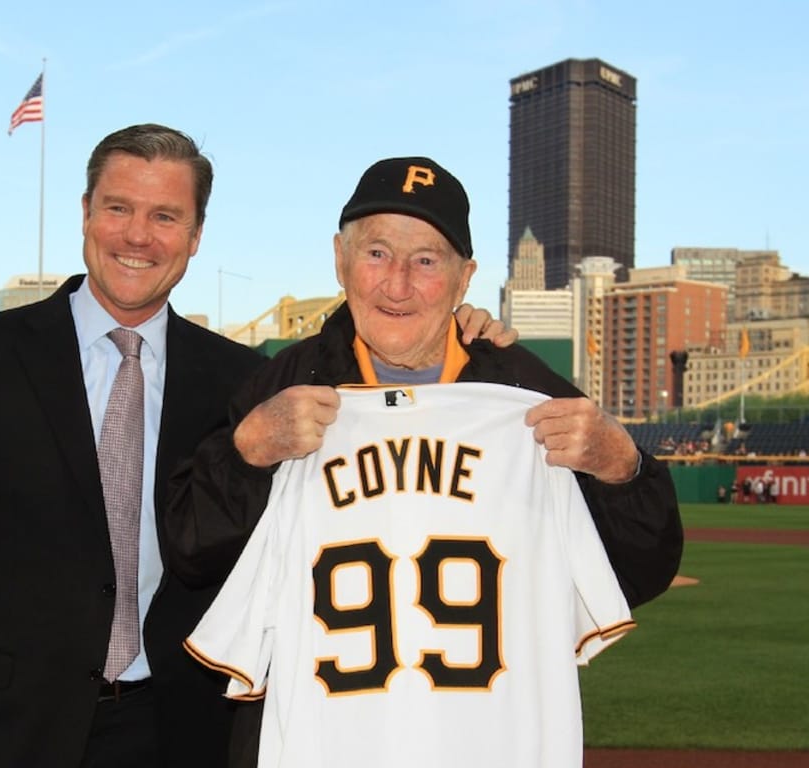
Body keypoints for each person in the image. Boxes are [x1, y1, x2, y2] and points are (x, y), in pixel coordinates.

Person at [0, 128, 513, 768]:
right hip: (4, 726)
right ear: (86, 213)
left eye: (165, 217)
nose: (138, 236)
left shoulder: (239, 379)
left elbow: (368, 360)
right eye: (119, 207)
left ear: (195, 237)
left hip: (181, 727)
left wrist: (452, 330)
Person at [161, 156, 682, 766]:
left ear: (465, 279)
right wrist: (246, 455)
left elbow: (639, 570)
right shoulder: (279, 387)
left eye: (427, 261)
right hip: (326, 742)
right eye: (376, 253)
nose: (398, 283)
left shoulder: (525, 395)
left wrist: (625, 473)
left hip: (488, 744)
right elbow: (191, 551)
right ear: (340, 259)